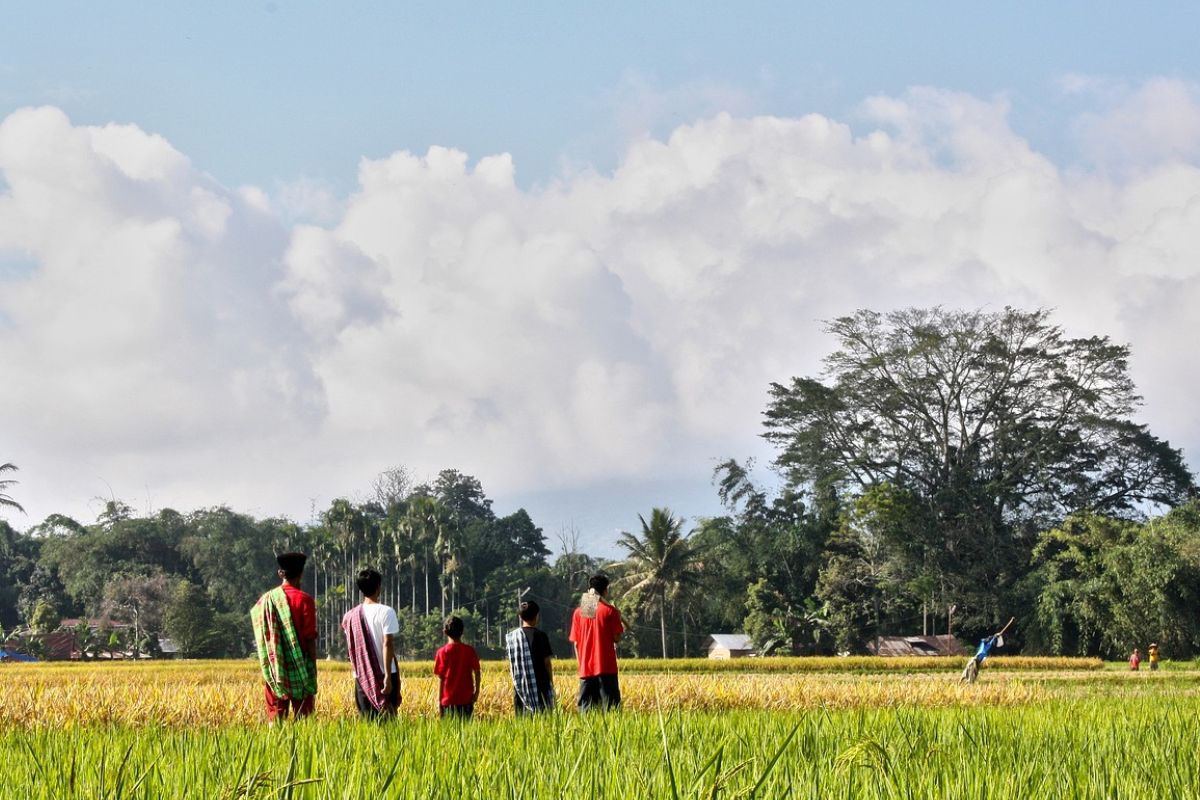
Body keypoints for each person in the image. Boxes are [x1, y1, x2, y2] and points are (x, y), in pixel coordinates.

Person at [251, 551, 318, 722]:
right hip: (300, 666)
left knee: (276, 717)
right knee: (305, 717)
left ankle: (274, 747)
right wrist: (313, 667)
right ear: (301, 573)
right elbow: (309, 637)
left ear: (280, 573)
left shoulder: (265, 600)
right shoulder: (305, 600)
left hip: (275, 668)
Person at [341, 568, 400, 718]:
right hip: (387, 674)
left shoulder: (349, 616)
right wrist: (387, 676)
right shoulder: (386, 612)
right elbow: (388, 644)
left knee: (367, 724)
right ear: (378, 586)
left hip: (362, 678)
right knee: (389, 723)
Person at [569, 574, 624, 710]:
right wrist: (618, 617)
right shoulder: (610, 612)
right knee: (611, 712)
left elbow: (577, 643)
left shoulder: (580, 612)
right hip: (606, 669)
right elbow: (616, 638)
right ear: (606, 591)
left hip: (586, 670)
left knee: (587, 715)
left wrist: (582, 665)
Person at [506, 600, 556, 713]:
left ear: (520, 617)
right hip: (540, 685)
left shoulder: (513, 637)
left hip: (520, 686)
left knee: (522, 721)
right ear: (536, 616)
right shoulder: (541, 636)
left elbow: (512, 664)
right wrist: (550, 683)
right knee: (542, 718)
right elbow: (547, 663)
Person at [433, 616, 480, 718]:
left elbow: (441, 679)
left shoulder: (441, 652)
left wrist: (439, 701)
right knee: (466, 731)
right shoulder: (469, 651)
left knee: (448, 733)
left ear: (445, 632)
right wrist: (477, 692)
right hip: (466, 699)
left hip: (447, 701)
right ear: (462, 631)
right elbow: (477, 672)